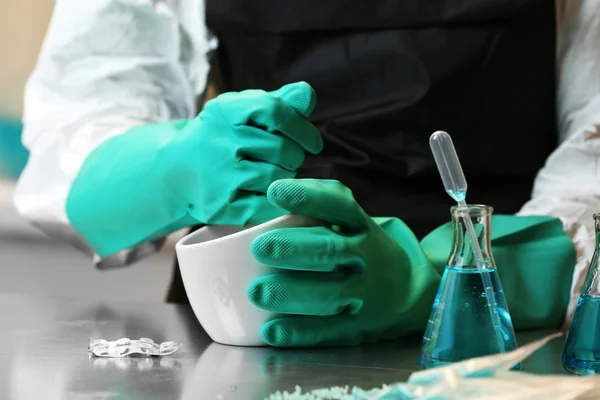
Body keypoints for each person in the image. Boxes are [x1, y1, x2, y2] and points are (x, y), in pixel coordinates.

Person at [13, 0, 598, 347]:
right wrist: (170, 167)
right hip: (251, 317)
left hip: (503, 337)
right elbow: (81, 124)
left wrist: (441, 285)